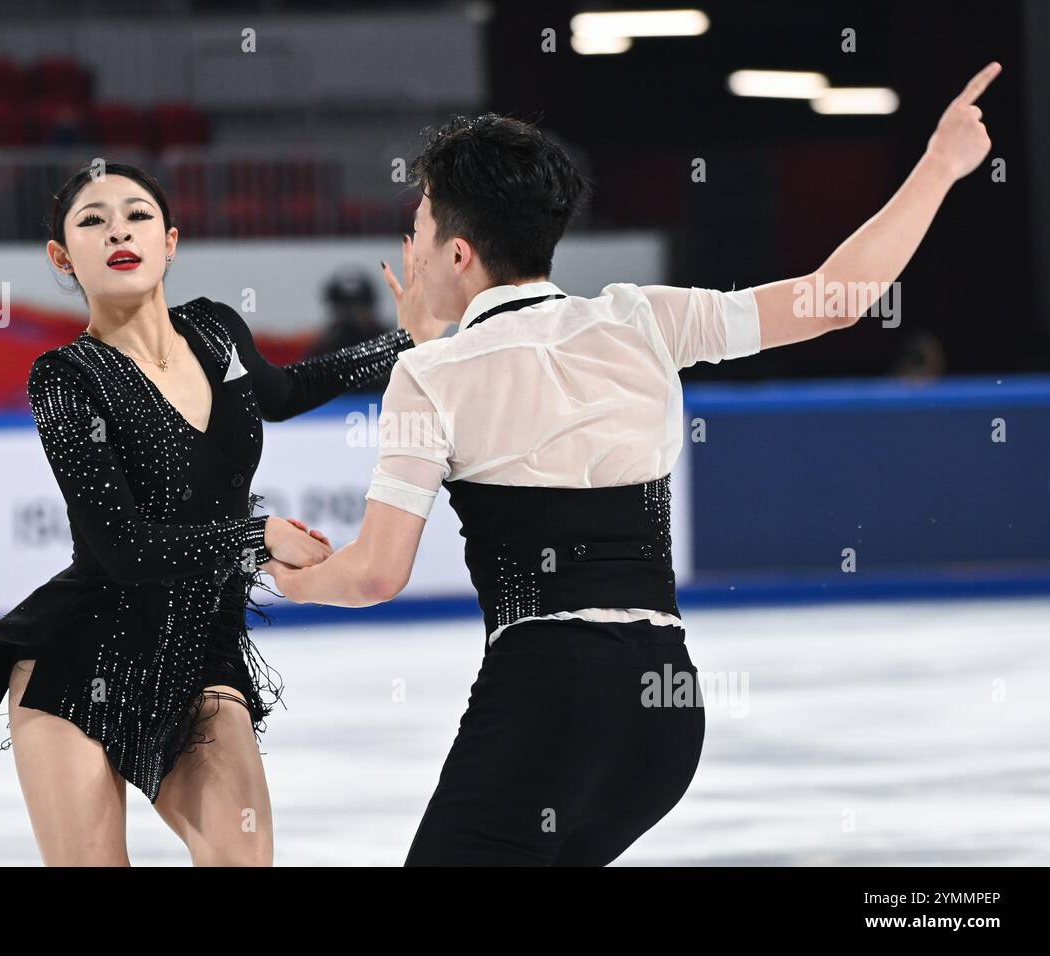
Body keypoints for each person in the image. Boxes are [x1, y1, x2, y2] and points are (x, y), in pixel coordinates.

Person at [267, 63, 1001, 865]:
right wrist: (939, 166)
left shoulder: (430, 376)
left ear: (459, 252)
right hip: (665, 707)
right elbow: (837, 296)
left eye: (421, 224)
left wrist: (291, 577)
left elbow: (376, 574)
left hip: (547, 693)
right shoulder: (641, 318)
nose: (409, 243)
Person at [0, 161, 448, 866]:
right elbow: (126, 551)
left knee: (243, 857)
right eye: (92, 221)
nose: (117, 232)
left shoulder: (216, 331)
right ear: (60, 256)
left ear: (170, 241)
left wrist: (412, 341)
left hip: (203, 651)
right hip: (81, 658)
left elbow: (285, 390)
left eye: (136, 216)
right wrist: (256, 536)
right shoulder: (65, 378)